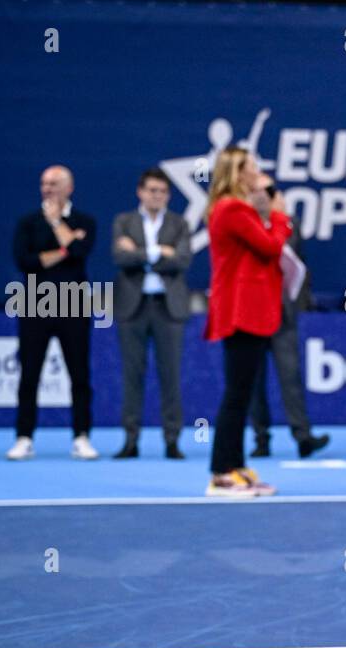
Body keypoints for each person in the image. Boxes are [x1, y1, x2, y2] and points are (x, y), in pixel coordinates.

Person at [203, 147, 289, 497]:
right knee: (237, 394)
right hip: (241, 310)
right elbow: (270, 247)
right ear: (238, 174)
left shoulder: (237, 208)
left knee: (242, 392)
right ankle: (221, 473)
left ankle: (235, 465)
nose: (259, 174)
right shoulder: (232, 208)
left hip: (250, 309)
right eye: (253, 168)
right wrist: (280, 218)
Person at [8, 165, 98, 461]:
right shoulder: (28, 222)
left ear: (69, 188)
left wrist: (57, 223)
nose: (47, 188)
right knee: (29, 374)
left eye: (54, 183)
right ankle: (24, 437)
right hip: (35, 305)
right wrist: (64, 248)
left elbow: (80, 253)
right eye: (44, 183)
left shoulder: (86, 220)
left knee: (80, 375)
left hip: (74, 305)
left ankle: (81, 436)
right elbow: (25, 261)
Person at [111, 167, 192, 460]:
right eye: (151, 190)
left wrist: (142, 253)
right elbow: (120, 257)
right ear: (140, 192)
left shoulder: (180, 223)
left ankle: (172, 440)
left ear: (168, 195)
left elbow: (182, 260)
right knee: (132, 376)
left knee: (170, 376)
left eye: (161, 191)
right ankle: (130, 440)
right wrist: (160, 252)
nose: (156, 195)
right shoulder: (124, 221)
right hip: (133, 307)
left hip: (168, 308)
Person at [247, 176, 330, 460]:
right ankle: (260, 438)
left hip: (282, 313)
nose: (263, 195)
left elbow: (287, 253)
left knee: (290, 376)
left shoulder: (288, 222)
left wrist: (279, 218)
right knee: (254, 380)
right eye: (258, 190)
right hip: (252, 313)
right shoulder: (242, 221)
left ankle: (302, 436)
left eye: (269, 190)